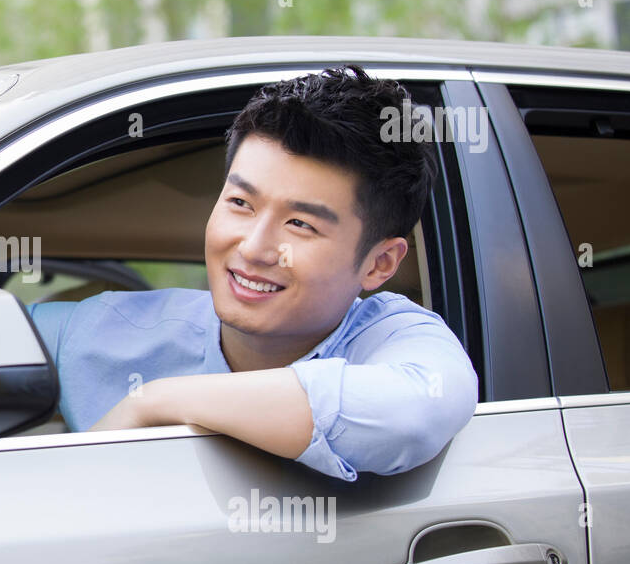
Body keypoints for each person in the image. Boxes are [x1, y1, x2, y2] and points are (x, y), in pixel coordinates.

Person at [26, 65, 478, 481]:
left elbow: (413, 415)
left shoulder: (393, 337)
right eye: (241, 204)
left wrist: (153, 402)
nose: (254, 247)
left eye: (300, 223)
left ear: (380, 263)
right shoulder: (107, 330)